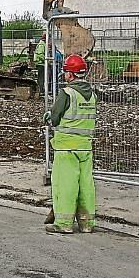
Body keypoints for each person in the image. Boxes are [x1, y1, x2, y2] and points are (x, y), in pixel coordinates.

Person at [43, 54, 97, 234]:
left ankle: (64, 224)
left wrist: (50, 116)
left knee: (66, 185)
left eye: (65, 71)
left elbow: (56, 118)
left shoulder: (67, 93)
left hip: (66, 148)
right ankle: (87, 223)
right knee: (86, 186)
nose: (64, 74)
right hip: (85, 148)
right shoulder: (92, 96)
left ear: (70, 74)